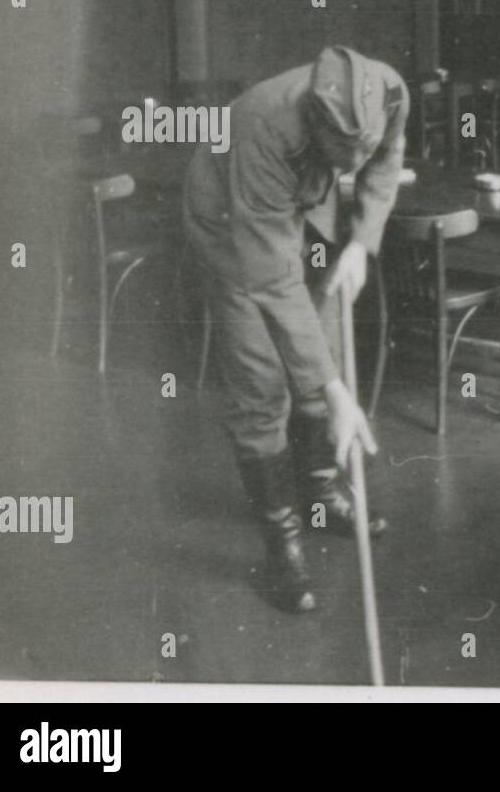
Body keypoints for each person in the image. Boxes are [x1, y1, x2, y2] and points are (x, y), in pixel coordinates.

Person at [183, 46, 408, 612]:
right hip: (232, 221)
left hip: (306, 201)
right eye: (343, 155)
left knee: (322, 343)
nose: (354, 165)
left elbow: (385, 159)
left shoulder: (387, 88)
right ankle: (281, 545)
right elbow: (273, 280)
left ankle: (317, 492)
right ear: (314, 122)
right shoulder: (264, 126)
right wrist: (335, 394)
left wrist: (362, 240)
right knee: (263, 376)